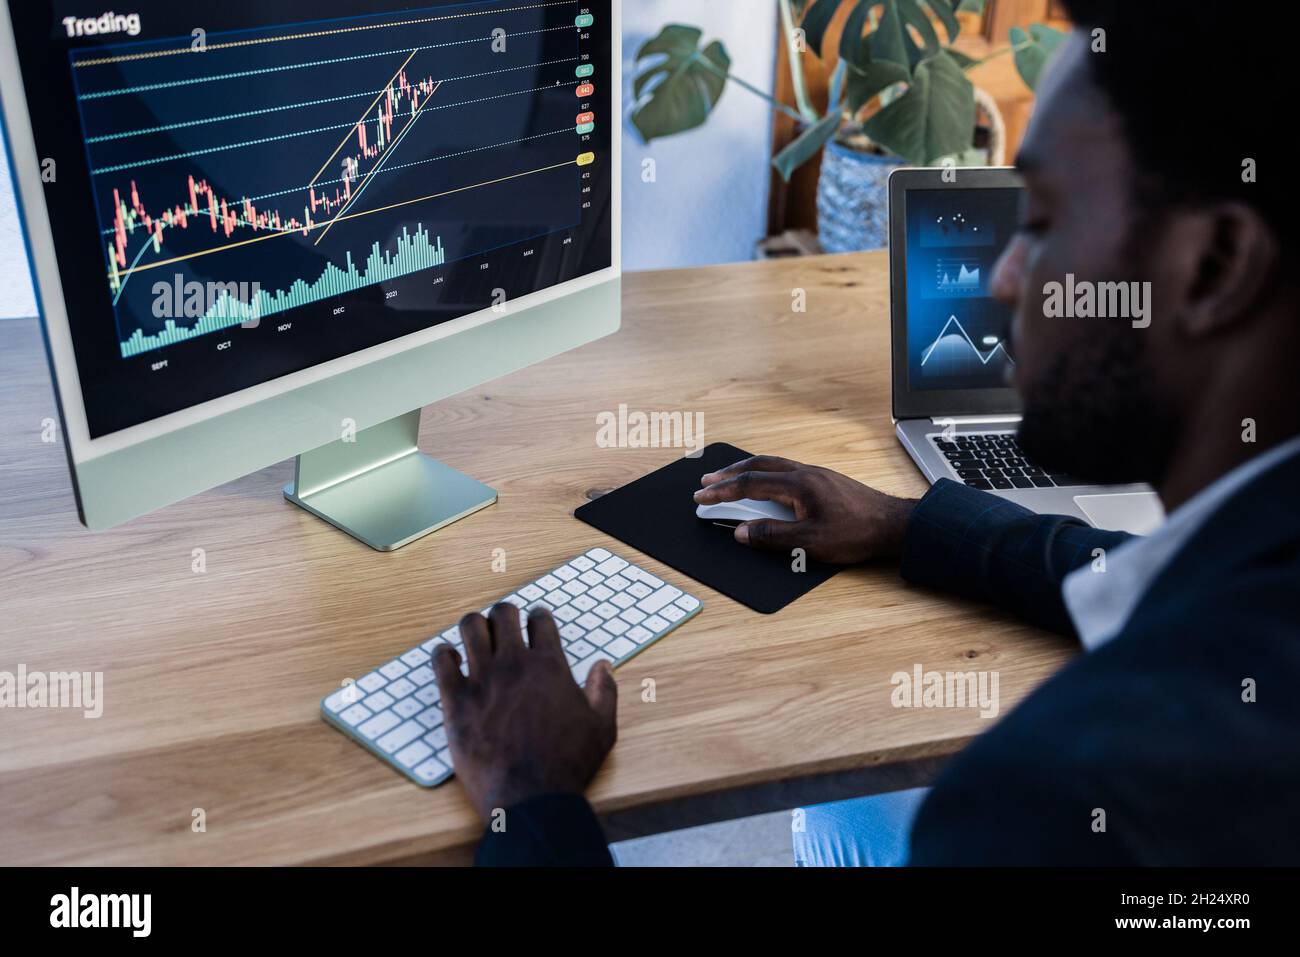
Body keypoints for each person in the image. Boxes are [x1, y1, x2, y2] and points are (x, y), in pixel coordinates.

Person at [432, 0, 1299, 865]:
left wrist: (533, 800)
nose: (999, 277)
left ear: (1215, 266)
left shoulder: (1057, 800)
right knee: (851, 817)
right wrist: (904, 523)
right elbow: (1138, 575)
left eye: (1038, 221)